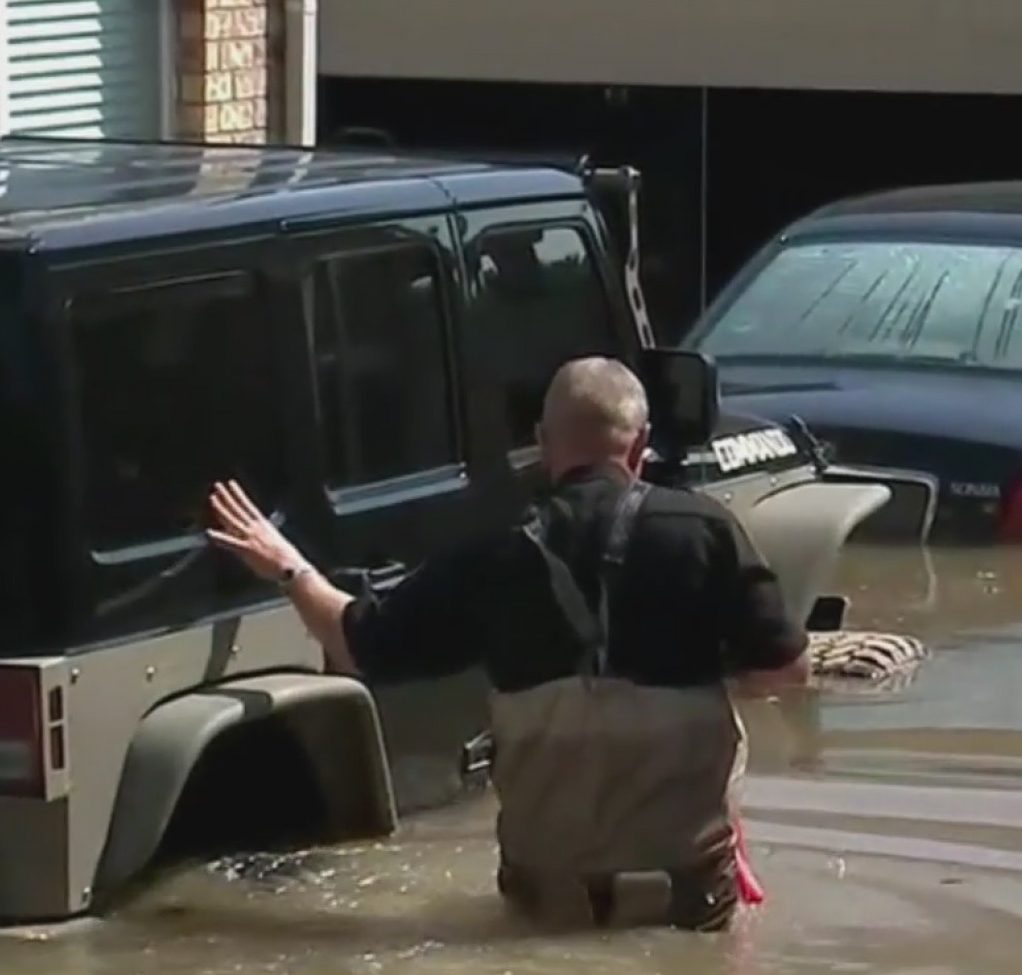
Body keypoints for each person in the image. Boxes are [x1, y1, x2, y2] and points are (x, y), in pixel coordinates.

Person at [205, 356, 809, 932]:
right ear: (640, 442)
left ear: (544, 441)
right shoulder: (706, 531)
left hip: (545, 901)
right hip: (689, 899)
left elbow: (362, 647)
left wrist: (290, 569)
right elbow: (789, 669)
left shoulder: (491, 553)